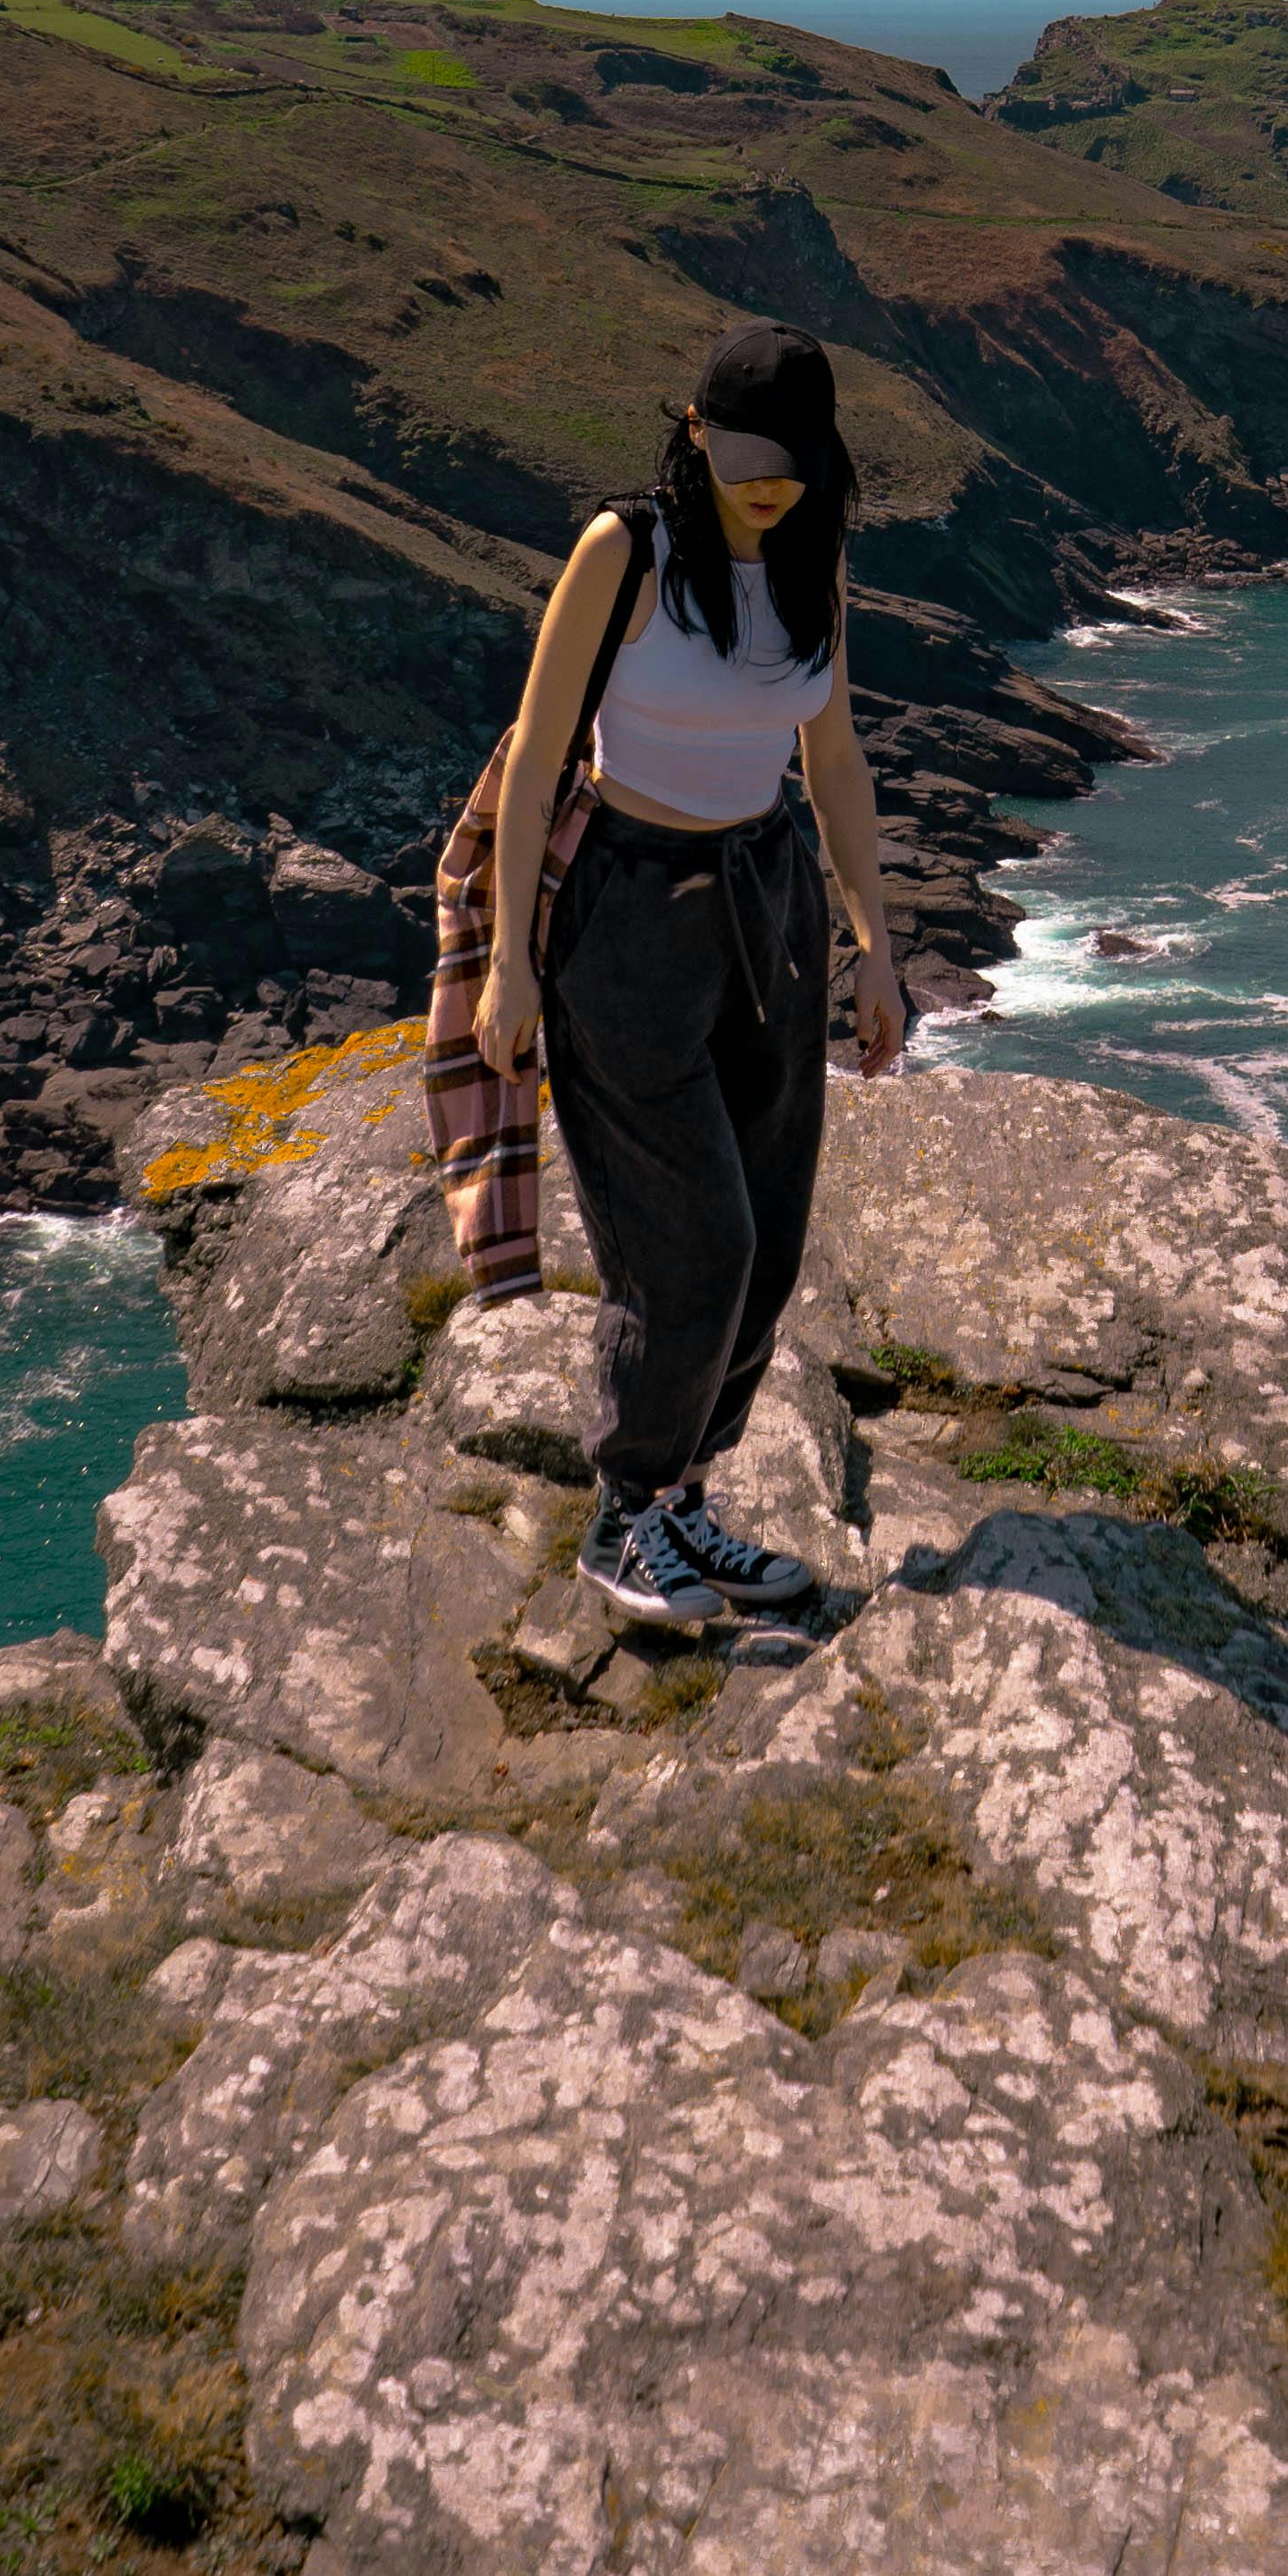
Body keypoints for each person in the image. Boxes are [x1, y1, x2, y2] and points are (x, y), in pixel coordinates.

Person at [469, 318, 907, 1634]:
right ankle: (620, 1511)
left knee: (768, 1246)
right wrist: (509, 965)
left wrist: (875, 944)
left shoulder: (816, 566)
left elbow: (831, 763)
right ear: (695, 431)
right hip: (628, 913)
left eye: (790, 458)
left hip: (766, 905)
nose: (764, 479)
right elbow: (541, 755)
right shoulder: (629, 552)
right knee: (696, 1243)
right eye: (741, 452)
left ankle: (678, 1499)